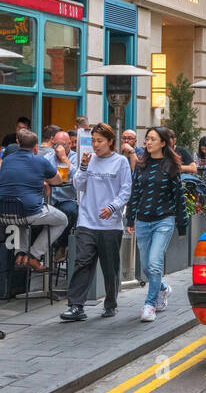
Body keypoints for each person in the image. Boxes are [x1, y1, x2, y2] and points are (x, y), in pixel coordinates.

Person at [61, 123, 132, 322]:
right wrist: (83, 166)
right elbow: (78, 185)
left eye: (99, 141)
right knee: (82, 262)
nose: (95, 145)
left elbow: (126, 190)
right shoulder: (88, 161)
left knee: (110, 267)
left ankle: (110, 303)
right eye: (93, 140)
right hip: (87, 220)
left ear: (110, 141)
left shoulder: (120, 162)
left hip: (110, 224)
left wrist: (113, 207)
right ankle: (76, 306)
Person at [125, 126, 186, 323]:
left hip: (164, 220)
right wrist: (130, 218)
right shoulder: (141, 165)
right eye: (147, 139)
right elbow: (135, 193)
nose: (148, 142)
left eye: (152, 139)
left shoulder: (171, 167)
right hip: (143, 220)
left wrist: (182, 224)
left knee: (154, 263)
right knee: (146, 268)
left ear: (163, 143)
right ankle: (162, 288)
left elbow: (179, 198)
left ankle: (149, 304)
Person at [0, 129, 67, 272]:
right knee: (62, 220)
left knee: (21, 219)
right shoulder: (40, 161)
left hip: (1, 212)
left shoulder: (7, 160)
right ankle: (34, 255)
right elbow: (57, 180)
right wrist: (42, 178)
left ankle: (20, 255)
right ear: (36, 147)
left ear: (18, 142)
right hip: (28, 212)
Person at [42, 128, 78, 258]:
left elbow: (77, 176)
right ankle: (38, 252)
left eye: (63, 145)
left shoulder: (75, 157)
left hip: (67, 199)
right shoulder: (48, 157)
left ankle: (61, 245)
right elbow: (41, 174)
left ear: (70, 144)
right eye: (57, 144)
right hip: (50, 199)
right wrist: (44, 182)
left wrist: (63, 158)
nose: (59, 148)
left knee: (71, 211)